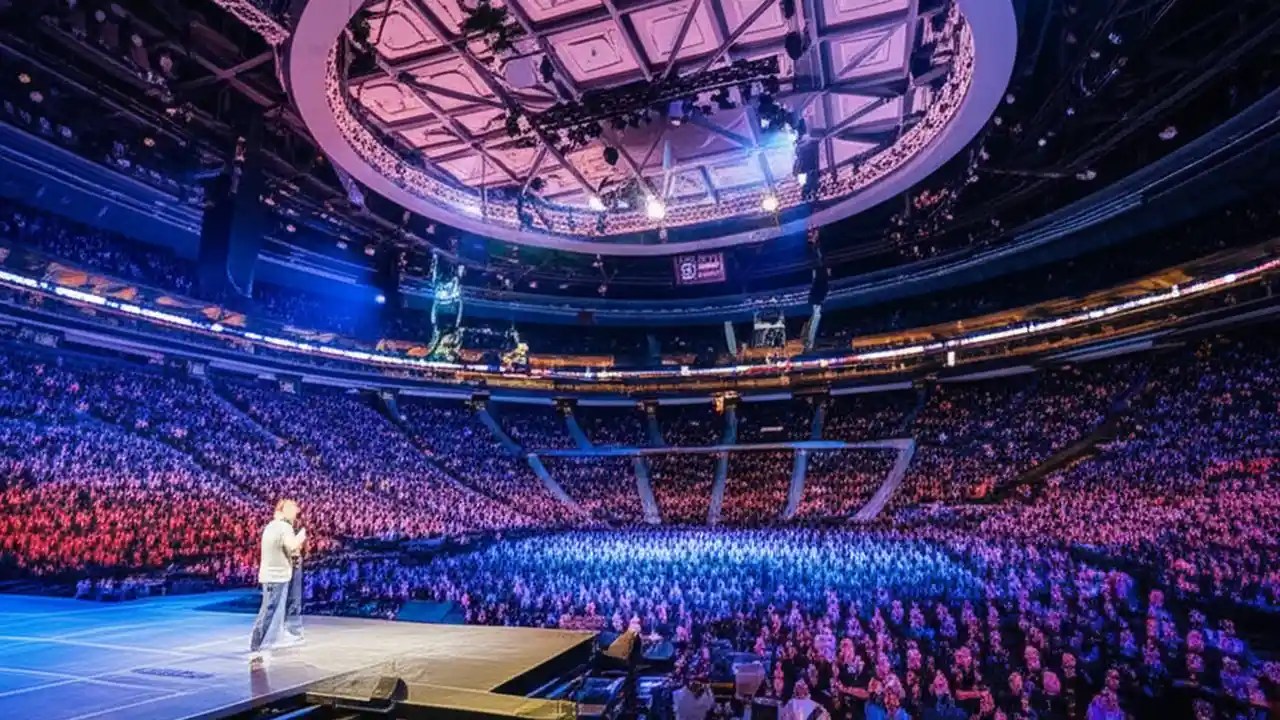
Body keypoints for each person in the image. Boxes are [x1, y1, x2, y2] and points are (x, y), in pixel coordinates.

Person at [249, 499, 306, 660]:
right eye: (294, 510)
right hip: (276, 575)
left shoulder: (272, 526)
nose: (297, 513)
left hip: (271, 574)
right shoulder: (284, 527)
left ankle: (266, 641)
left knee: (273, 609)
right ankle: (257, 644)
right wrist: (301, 536)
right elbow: (292, 545)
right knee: (269, 610)